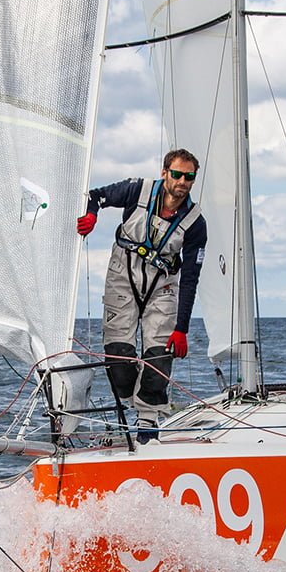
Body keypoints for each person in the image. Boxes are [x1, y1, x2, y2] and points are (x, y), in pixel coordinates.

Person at [77, 149, 207, 444]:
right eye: (177, 174)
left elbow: (191, 277)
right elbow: (96, 195)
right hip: (123, 277)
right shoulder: (137, 191)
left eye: (189, 177)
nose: (182, 182)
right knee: (118, 357)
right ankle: (131, 398)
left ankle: (148, 422)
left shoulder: (196, 223)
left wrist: (182, 328)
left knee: (158, 355)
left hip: (163, 286)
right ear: (164, 173)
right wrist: (91, 214)